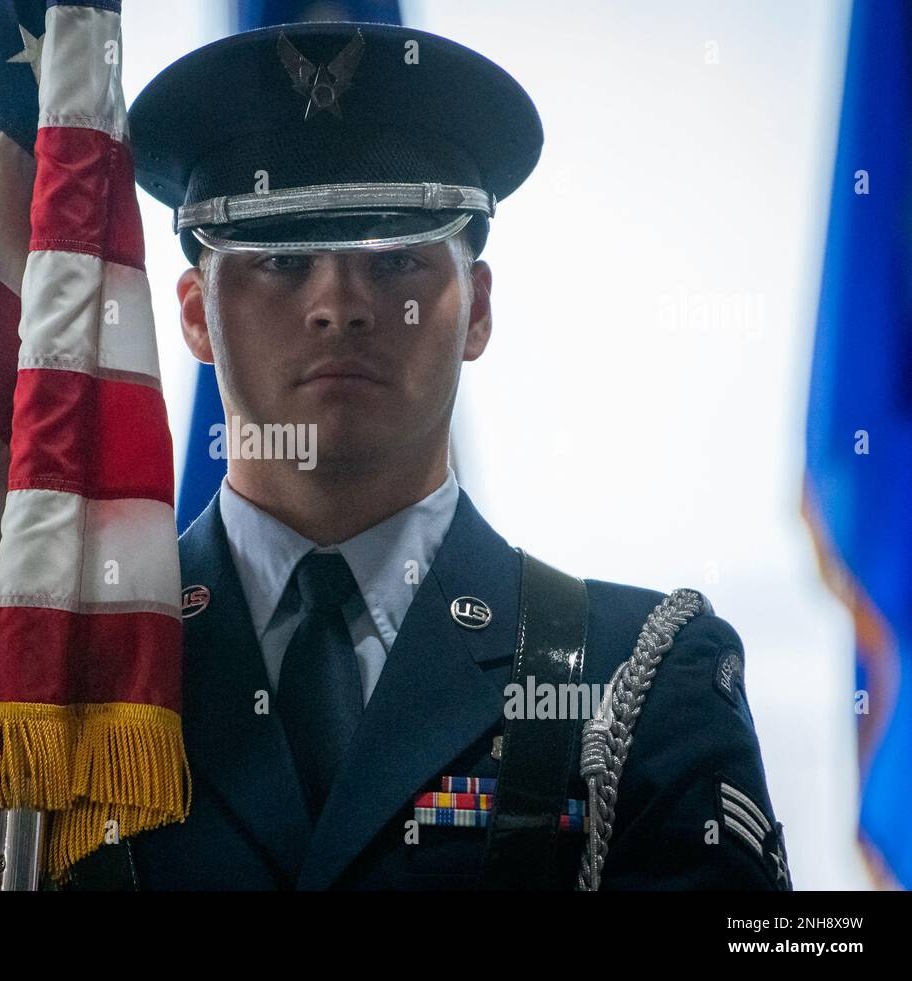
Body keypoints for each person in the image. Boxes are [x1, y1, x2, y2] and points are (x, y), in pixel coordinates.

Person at [64, 20, 791, 890]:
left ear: (477, 308)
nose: (339, 304)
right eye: (283, 262)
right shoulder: (65, 673)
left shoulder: (638, 681)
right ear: (193, 315)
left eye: (397, 258)